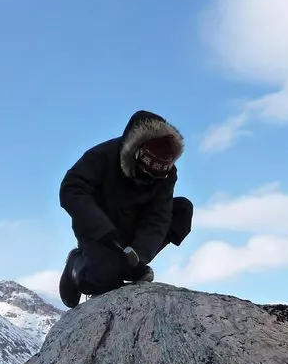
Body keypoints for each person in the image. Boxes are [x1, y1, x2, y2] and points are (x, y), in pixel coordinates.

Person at [57, 110, 193, 309]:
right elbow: (71, 189)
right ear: (136, 152)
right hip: (99, 227)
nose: (149, 179)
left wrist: (138, 256)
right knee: (105, 281)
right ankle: (77, 265)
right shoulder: (102, 156)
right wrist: (101, 228)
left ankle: (126, 265)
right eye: (146, 171)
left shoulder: (167, 172)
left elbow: (158, 217)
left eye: (158, 174)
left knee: (182, 210)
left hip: (133, 224)